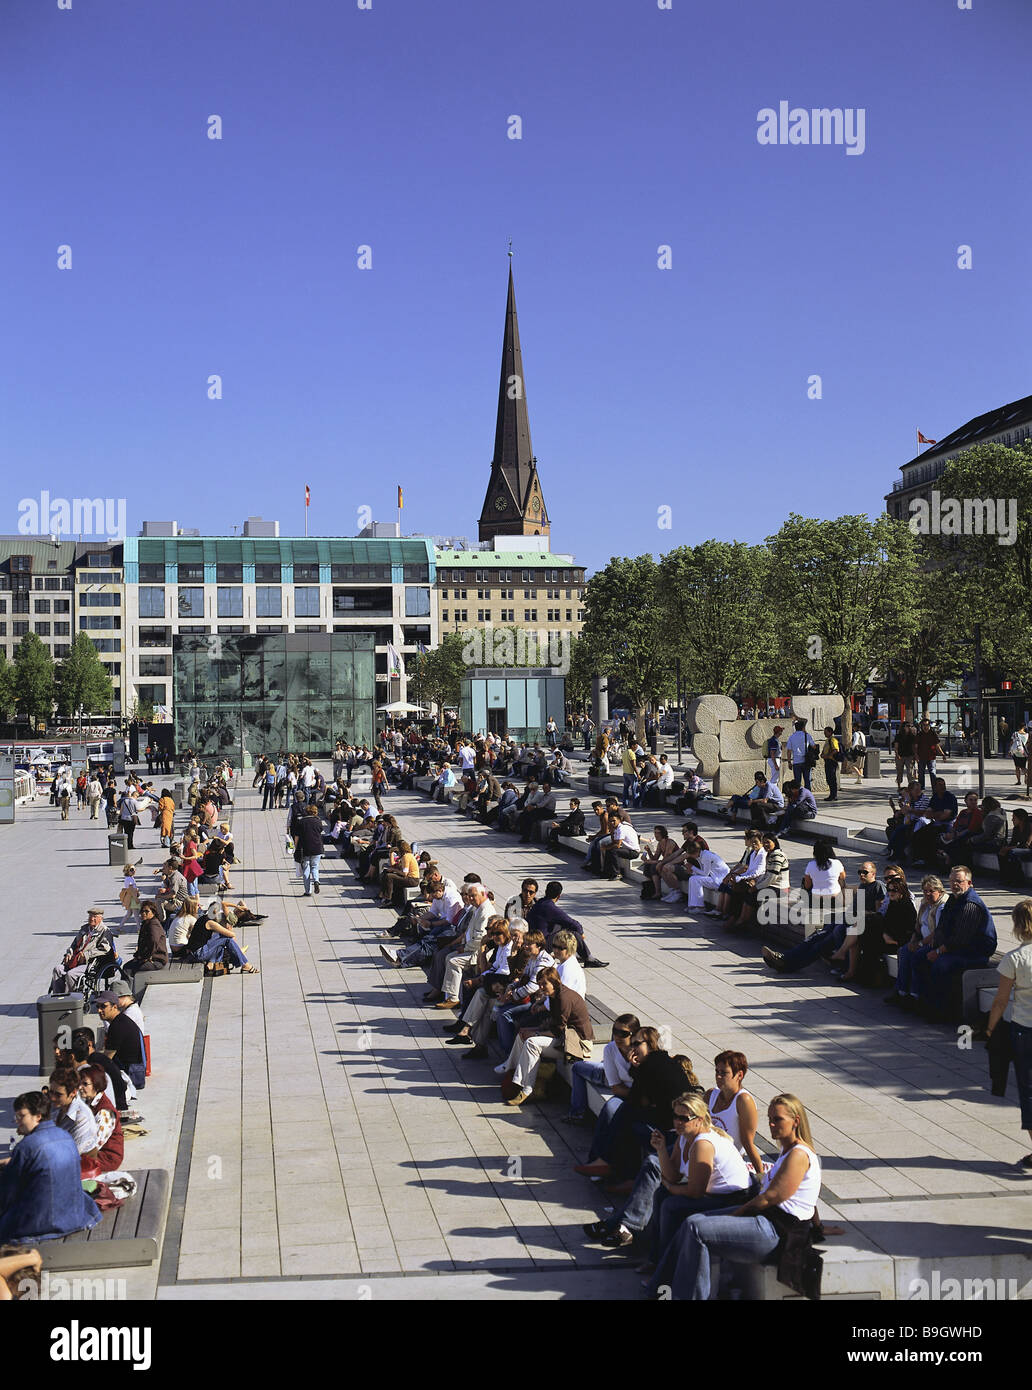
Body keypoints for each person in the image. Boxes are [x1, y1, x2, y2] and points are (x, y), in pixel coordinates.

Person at [654, 1093, 821, 1301]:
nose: (771, 1124)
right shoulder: (788, 1151)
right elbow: (807, 1199)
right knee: (692, 1222)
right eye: (769, 1118)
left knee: (696, 1227)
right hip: (766, 1220)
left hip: (776, 1231)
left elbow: (770, 1198)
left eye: (777, 1119)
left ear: (795, 1121)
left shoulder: (798, 1155)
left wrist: (736, 1214)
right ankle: (662, 1287)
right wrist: (820, 1226)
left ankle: (677, 1292)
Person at [585, 1091, 753, 1251]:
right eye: (675, 1117)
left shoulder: (703, 1144)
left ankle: (659, 1256)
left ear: (699, 1120)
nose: (678, 1122)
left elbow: (695, 1191)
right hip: (714, 1194)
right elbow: (673, 1175)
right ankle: (653, 1253)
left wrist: (672, 1188)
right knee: (661, 1194)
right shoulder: (684, 1136)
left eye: (684, 1118)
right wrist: (661, 1149)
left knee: (670, 1204)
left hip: (732, 1199)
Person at [0, 1093, 102, 1245]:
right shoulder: (65, 1136)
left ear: (38, 1116)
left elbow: (8, 1193)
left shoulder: (26, 1146)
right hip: (74, 1216)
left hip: (40, 1223)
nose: (17, 1122)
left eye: (21, 1116)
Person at [496, 966, 593, 1107]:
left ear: (555, 982)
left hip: (578, 1044)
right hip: (566, 1038)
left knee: (531, 1043)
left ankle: (527, 1090)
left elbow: (558, 1031)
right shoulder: (555, 995)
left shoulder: (563, 998)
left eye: (544, 984)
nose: (541, 987)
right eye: (539, 984)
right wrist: (531, 1030)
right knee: (522, 1034)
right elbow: (555, 1026)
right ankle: (511, 1071)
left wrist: (535, 1033)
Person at [911, 865, 997, 1020]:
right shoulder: (953, 899)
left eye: (959, 881)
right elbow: (942, 927)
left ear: (969, 883)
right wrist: (932, 945)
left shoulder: (971, 904)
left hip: (974, 951)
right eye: (952, 881)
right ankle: (922, 1001)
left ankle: (940, 1011)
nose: (955, 885)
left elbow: (960, 939)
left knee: (941, 964)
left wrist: (937, 951)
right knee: (918, 956)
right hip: (955, 947)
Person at [986, 900, 1032, 1171]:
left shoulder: (1014, 958)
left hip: (1024, 1029)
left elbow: (1000, 1001)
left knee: (1028, 1091)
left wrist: (991, 1029)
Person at [563, 1014, 639, 1124]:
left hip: (621, 1085)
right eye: (615, 1031)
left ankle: (577, 1114)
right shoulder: (611, 1048)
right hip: (609, 1078)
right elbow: (616, 1088)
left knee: (610, 1109)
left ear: (634, 1035)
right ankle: (577, 1114)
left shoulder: (641, 1052)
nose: (617, 1036)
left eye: (623, 1033)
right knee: (577, 1067)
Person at [885, 874, 947, 1007]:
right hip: (921, 940)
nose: (928, 894)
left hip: (934, 943)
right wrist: (913, 941)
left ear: (940, 891)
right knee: (904, 951)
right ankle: (901, 991)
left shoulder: (941, 906)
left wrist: (919, 944)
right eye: (925, 891)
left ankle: (915, 995)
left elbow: (937, 932)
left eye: (931, 891)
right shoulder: (925, 903)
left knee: (917, 956)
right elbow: (918, 926)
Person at [46, 1066, 100, 1167]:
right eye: (51, 1092)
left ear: (73, 1093)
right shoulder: (57, 1106)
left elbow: (70, 1155)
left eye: (58, 1094)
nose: (52, 1098)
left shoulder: (82, 1117)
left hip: (79, 1165)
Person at [95, 991, 147, 1092]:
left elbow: (107, 1059)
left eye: (103, 1006)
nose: (99, 1010)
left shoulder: (117, 1027)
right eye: (97, 1006)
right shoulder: (121, 1020)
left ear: (114, 1006)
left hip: (131, 1077)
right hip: (135, 1071)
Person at [123, 901, 169, 980]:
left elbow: (154, 942)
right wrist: (138, 956)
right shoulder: (146, 923)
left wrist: (146, 957)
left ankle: (127, 991)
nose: (143, 913)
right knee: (128, 966)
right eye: (142, 911)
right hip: (150, 958)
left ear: (153, 913)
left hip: (157, 961)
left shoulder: (153, 924)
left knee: (128, 969)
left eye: (147, 911)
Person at [295, 802, 325, 896]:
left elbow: (297, 837)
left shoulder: (301, 822)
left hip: (305, 848)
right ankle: (316, 880)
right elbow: (320, 831)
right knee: (315, 867)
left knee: (306, 868)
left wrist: (296, 848)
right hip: (317, 847)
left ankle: (308, 891)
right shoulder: (318, 821)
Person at [785, 721, 816, 790]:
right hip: (806, 761)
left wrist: (789, 762)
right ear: (803, 727)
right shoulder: (807, 735)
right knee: (807, 781)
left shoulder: (791, 737)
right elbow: (814, 746)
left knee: (797, 782)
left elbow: (789, 751)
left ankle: (798, 797)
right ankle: (807, 796)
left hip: (796, 762)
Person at [820, 726, 840, 802]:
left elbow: (836, 750)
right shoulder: (828, 740)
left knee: (832, 779)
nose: (824, 733)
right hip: (828, 761)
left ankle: (833, 795)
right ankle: (832, 795)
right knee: (829, 778)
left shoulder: (833, 740)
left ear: (830, 732)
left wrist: (827, 756)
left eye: (826, 732)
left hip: (832, 762)